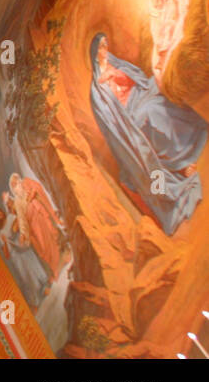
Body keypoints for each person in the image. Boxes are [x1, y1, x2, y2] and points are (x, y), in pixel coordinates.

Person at [88, 32, 208, 235]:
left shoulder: (113, 62)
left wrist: (118, 75)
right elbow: (111, 122)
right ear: (94, 52)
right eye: (100, 47)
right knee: (149, 114)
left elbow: (137, 77)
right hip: (128, 117)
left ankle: (186, 154)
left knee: (161, 93)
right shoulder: (96, 89)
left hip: (139, 95)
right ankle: (178, 167)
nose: (104, 50)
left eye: (105, 45)